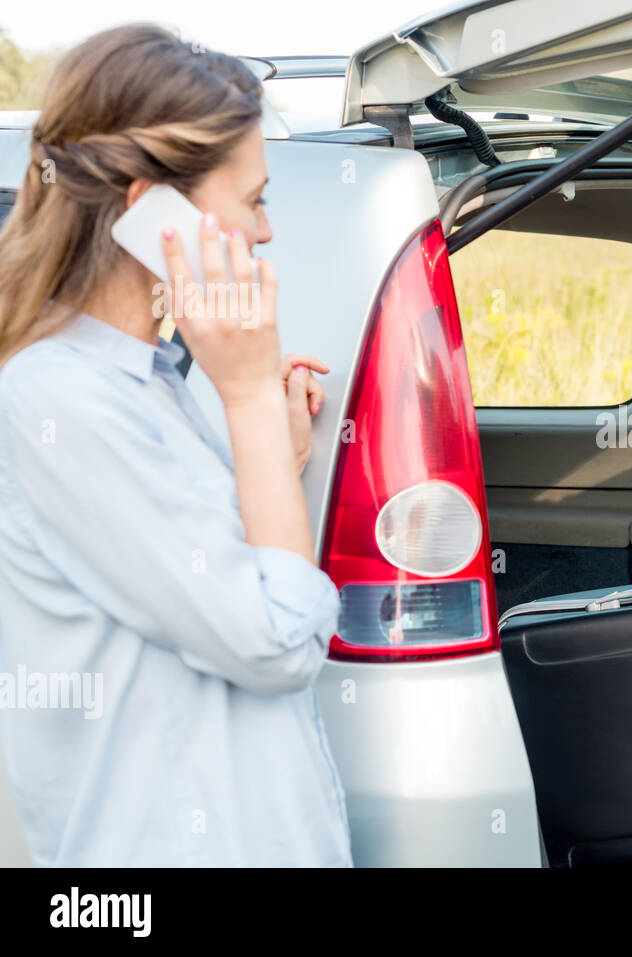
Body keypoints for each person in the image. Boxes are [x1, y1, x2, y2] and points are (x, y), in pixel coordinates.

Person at [0, 24, 350, 866]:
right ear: (151, 210)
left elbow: (189, 577)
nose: (265, 231)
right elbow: (279, 640)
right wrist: (248, 403)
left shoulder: (145, 383)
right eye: (255, 198)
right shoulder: (59, 401)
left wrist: (276, 454)